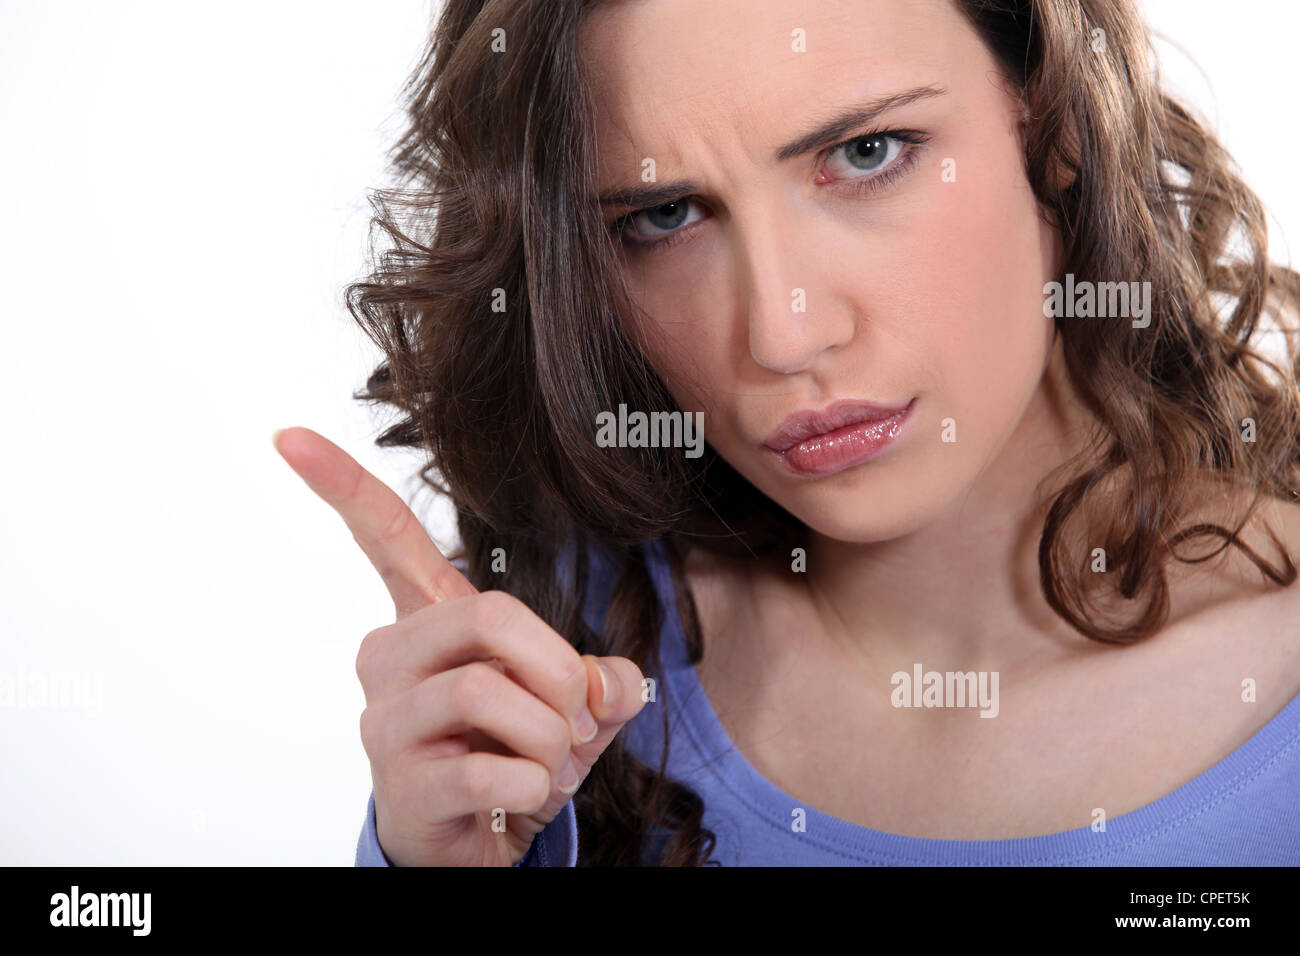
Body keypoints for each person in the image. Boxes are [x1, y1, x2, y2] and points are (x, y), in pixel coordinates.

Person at [274, 0, 1300, 865]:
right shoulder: (559, 662)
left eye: (865, 154)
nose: (781, 332)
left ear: (1058, 123)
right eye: (664, 215)